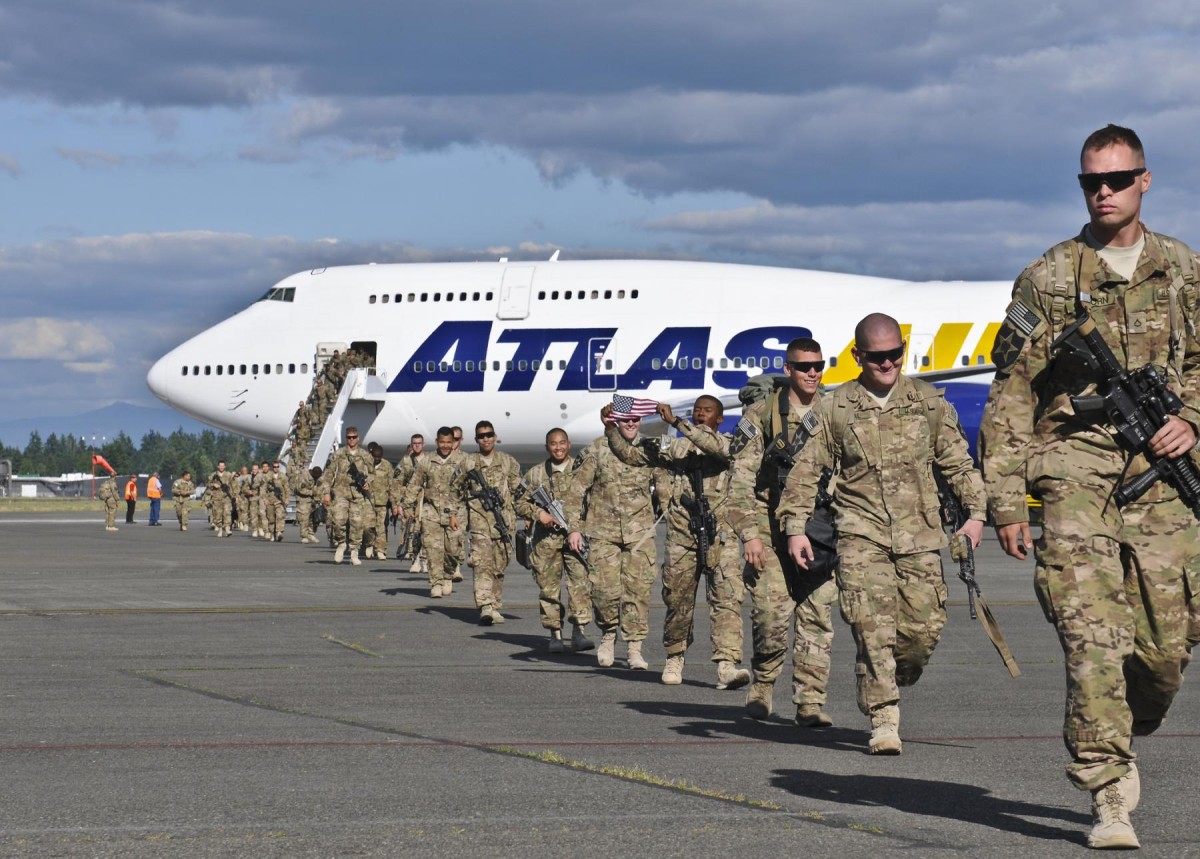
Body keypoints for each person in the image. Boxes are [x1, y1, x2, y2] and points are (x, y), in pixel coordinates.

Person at [979, 124, 1200, 850]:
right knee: (1091, 638)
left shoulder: (1184, 269)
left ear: (1145, 179)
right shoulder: (1049, 277)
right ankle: (1108, 787)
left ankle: (1129, 725)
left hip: (1161, 477)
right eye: (1089, 182)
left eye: (1116, 178)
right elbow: (1011, 392)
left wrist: (1192, 418)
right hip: (1072, 470)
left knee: (1164, 651)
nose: (1102, 192)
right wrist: (1006, 497)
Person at [779, 313, 985, 755]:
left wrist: (976, 514)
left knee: (922, 631)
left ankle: (889, 675)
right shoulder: (834, 408)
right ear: (858, 356)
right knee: (872, 629)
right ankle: (884, 718)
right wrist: (795, 528)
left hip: (921, 536)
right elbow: (804, 472)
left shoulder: (929, 403)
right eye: (878, 357)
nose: (888, 363)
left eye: (895, 354)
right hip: (860, 534)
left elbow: (956, 463)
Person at [606, 397, 752, 690]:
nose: (700, 414)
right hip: (682, 537)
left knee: (726, 599)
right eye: (697, 409)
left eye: (707, 411)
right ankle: (675, 656)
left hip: (719, 536)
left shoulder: (729, 444)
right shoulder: (675, 447)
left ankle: (726, 665)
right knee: (677, 600)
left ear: (720, 419)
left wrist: (677, 423)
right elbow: (631, 455)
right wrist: (610, 428)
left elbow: (717, 449)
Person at [728, 338, 838, 727]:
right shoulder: (762, 415)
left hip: (820, 526)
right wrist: (750, 536)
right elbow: (739, 481)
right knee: (771, 614)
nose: (812, 373)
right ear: (788, 369)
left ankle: (809, 702)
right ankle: (763, 682)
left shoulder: (834, 413)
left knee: (817, 615)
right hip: (769, 526)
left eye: (818, 366)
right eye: (804, 366)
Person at [565, 413, 659, 670]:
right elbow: (576, 491)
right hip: (602, 532)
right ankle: (608, 635)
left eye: (635, 419)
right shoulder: (597, 449)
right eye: (625, 420)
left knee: (638, 591)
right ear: (616, 422)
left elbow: (665, 487)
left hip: (639, 534)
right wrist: (574, 529)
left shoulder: (650, 449)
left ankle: (634, 647)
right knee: (604, 592)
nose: (631, 424)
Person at [516, 429, 595, 653]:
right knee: (549, 588)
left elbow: (593, 499)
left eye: (562, 443)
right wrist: (538, 514)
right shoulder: (536, 474)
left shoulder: (581, 471)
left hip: (576, 537)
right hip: (546, 540)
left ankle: (579, 632)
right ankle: (555, 635)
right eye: (553, 444)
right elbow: (519, 501)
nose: (558, 447)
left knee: (579, 584)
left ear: (569, 445)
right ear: (547, 447)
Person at [455, 420, 522, 624]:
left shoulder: (508, 462)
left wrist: (527, 516)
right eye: (481, 436)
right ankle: (485, 605)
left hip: (504, 523)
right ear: (476, 440)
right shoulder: (468, 463)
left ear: (495, 436)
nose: (485, 439)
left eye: (488, 435)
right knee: (482, 564)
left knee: (500, 566)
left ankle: (495, 604)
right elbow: (455, 489)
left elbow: (518, 490)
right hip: (480, 523)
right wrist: (455, 514)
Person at [401, 427, 468, 598]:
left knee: (454, 550)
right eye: (442, 442)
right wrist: (407, 505)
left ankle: (448, 574)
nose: (445, 446)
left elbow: (473, 485)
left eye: (449, 442)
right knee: (433, 549)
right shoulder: (427, 461)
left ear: (454, 442)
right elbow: (415, 484)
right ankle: (436, 583)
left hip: (456, 513)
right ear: (437, 442)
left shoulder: (464, 460)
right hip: (432, 512)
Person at [320, 426, 374, 565]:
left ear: (358, 438)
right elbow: (328, 474)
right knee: (338, 520)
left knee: (357, 524)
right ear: (346, 438)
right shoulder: (338, 454)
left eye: (354, 437)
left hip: (358, 494)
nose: (351, 440)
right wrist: (326, 492)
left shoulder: (365, 455)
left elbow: (373, 473)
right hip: (340, 493)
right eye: (349, 437)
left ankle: (354, 551)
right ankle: (341, 544)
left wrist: (368, 483)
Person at [363, 442, 394, 559]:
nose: (376, 459)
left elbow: (392, 484)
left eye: (378, 457)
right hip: (368, 500)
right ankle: (369, 543)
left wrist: (393, 502)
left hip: (382, 502)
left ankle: (380, 549)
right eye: (374, 457)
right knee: (367, 526)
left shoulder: (387, 466)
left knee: (381, 527)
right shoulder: (366, 465)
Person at [263, 461, 289, 542]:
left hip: (280, 500)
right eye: (274, 467)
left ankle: (279, 532)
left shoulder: (283, 476)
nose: (276, 468)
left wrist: (287, 498)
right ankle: (272, 533)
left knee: (280, 516)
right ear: (272, 467)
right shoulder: (267, 476)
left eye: (277, 466)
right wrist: (265, 499)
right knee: (271, 518)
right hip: (270, 500)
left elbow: (287, 488)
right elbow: (263, 489)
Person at [207, 461, 235, 537]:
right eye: (220, 466)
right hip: (217, 497)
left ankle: (227, 528)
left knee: (227, 513)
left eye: (223, 466)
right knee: (217, 515)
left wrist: (235, 496)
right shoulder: (213, 475)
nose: (221, 467)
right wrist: (213, 485)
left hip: (226, 497)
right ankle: (220, 529)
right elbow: (208, 484)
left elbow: (233, 485)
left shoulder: (229, 475)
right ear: (218, 466)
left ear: (225, 466)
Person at [293, 464, 319, 543]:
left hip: (311, 500)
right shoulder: (303, 476)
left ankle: (310, 533)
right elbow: (299, 489)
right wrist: (311, 492)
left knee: (311, 519)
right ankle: (304, 536)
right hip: (303, 500)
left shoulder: (315, 478)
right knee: (304, 519)